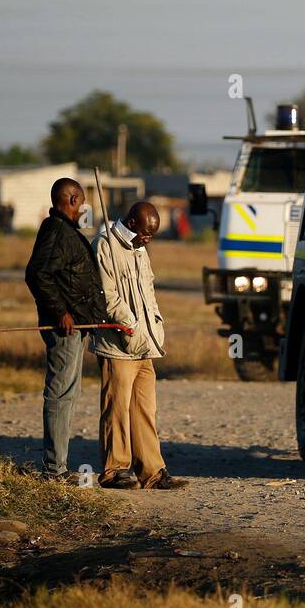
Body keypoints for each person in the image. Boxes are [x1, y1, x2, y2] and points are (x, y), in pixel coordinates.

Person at [24, 177, 118, 481]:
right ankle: (54, 470)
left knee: (69, 393)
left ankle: (58, 467)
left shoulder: (66, 231)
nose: (86, 207)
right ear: (73, 200)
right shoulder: (56, 231)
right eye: (83, 201)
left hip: (77, 327)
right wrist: (60, 311)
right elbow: (37, 275)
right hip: (63, 328)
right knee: (60, 394)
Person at [90, 201, 188, 490]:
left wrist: (154, 327)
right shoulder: (105, 244)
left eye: (152, 235)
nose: (149, 239)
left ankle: (153, 472)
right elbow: (106, 296)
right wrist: (129, 325)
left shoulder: (140, 248)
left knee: (145, 408)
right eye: (146, 233)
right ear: (132, 222)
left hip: (146, 343)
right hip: (117, 344)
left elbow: (149, 291)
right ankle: (114, 471)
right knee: (116, 408)